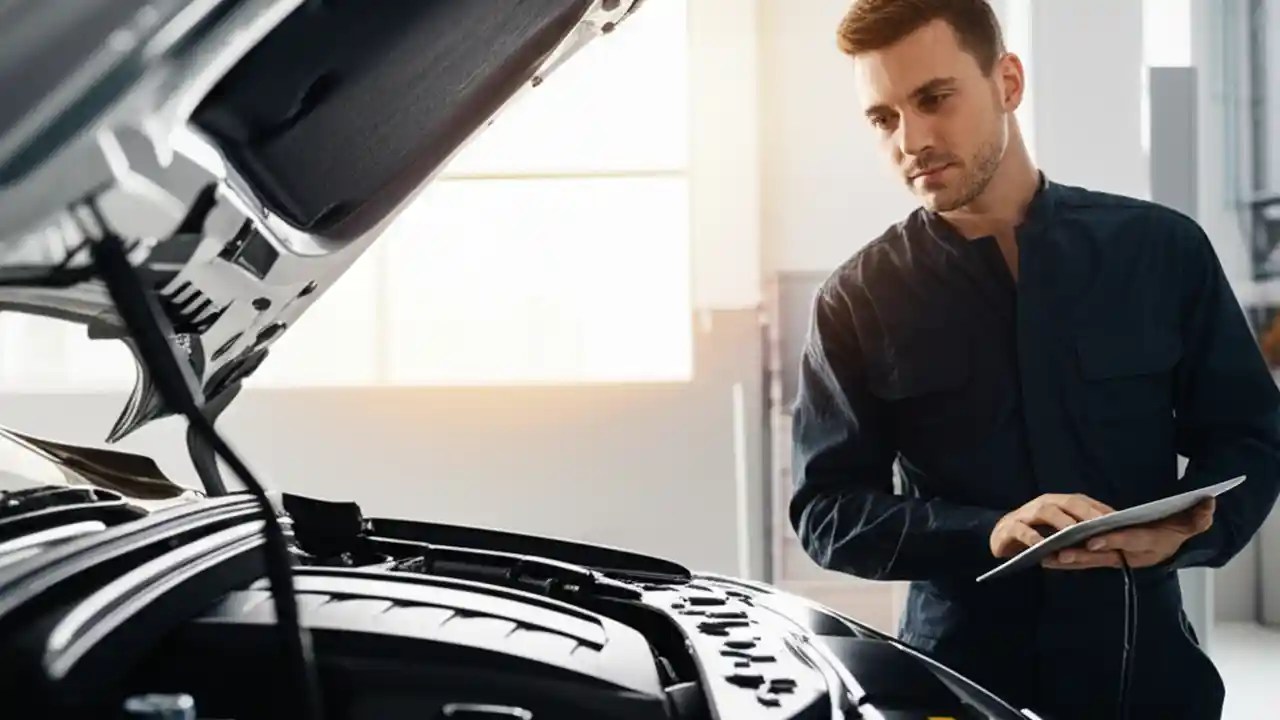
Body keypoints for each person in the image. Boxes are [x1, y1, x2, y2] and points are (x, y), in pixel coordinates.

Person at [788, 1, 1280, 718]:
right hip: (955, 687)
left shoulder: (1161, 251)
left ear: (1008, 82)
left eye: (934, 98)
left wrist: (1194, 530)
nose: (912, 139)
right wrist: (983, 531)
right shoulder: (858, 299)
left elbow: (1251, 437)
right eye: (883, 118)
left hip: (1145, 680)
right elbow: (826, 509)